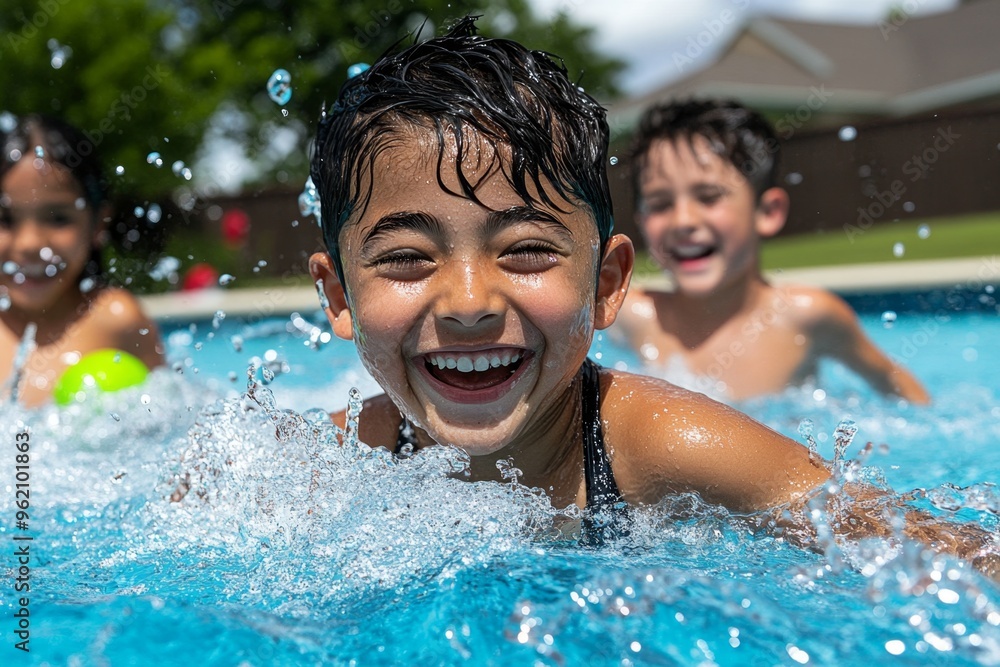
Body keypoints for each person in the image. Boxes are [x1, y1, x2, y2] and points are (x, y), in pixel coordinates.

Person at [301, 19, 990, 572]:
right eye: (405, 259)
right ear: (338, 297)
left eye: (527, 250)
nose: (468, 301)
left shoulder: (663, 443)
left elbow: (916, 543)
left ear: (606, 284)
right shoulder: (329, 461)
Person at [612, 99, 930, 404]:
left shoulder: (805, 316)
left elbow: (900, 390)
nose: (683, 221)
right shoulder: (634, 317)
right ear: (641, 222)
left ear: (767, 211)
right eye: (660, 204)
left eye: (708, 197)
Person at [0, 114, 164, 406]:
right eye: (5, 219)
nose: (30, 243)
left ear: (98, 225)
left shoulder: (116, 320)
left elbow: (181, 429)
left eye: (58, 218)